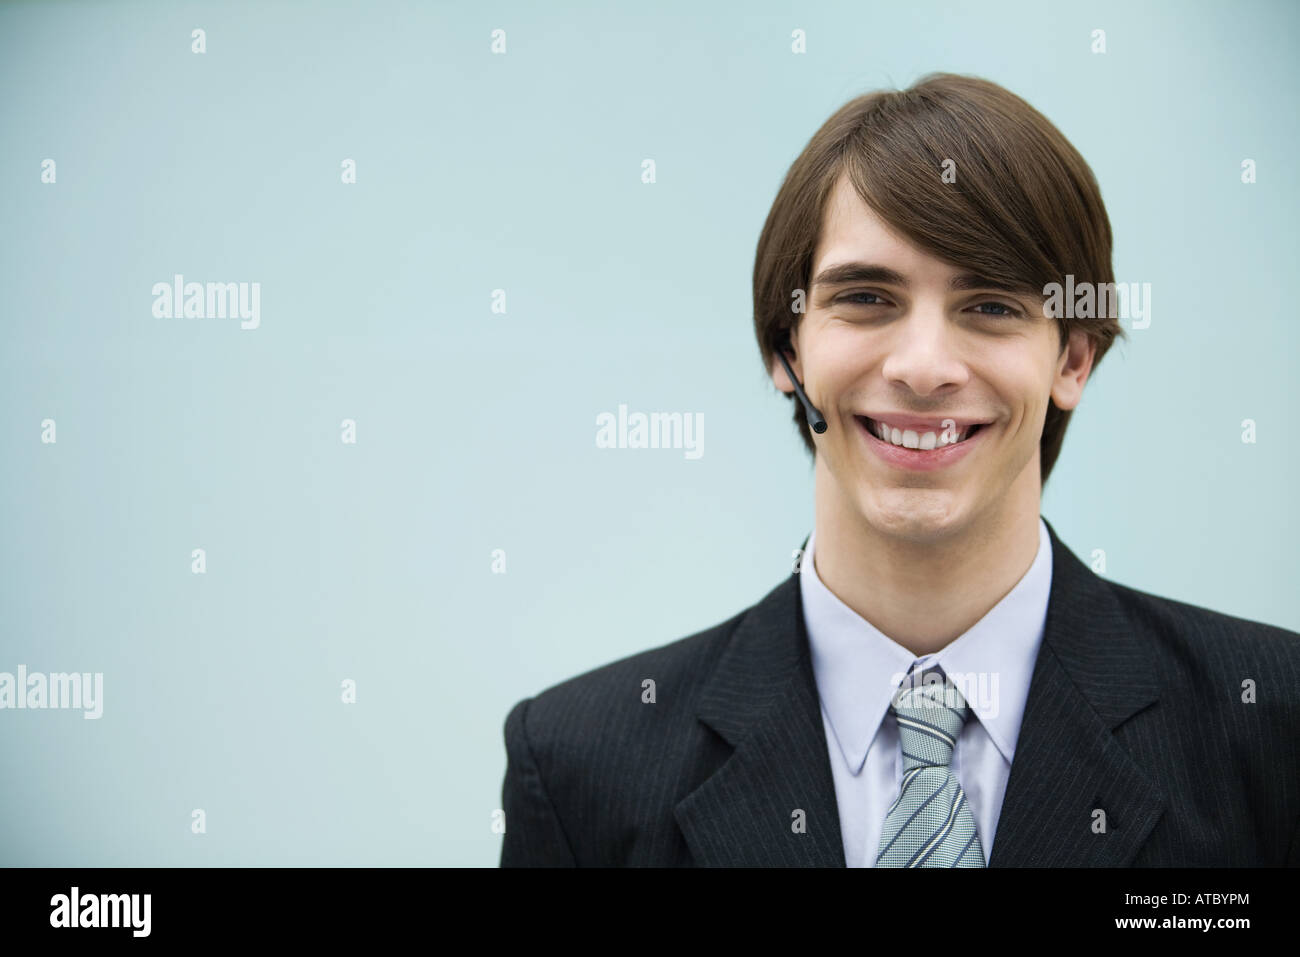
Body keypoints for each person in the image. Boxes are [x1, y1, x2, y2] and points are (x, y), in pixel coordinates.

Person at [498, 73, 1300, 867]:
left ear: (1074, 358)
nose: (923, 368)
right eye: (868, 299)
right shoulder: (577, 768)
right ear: (787, 348)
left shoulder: (1273, 725)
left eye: (991, 304)